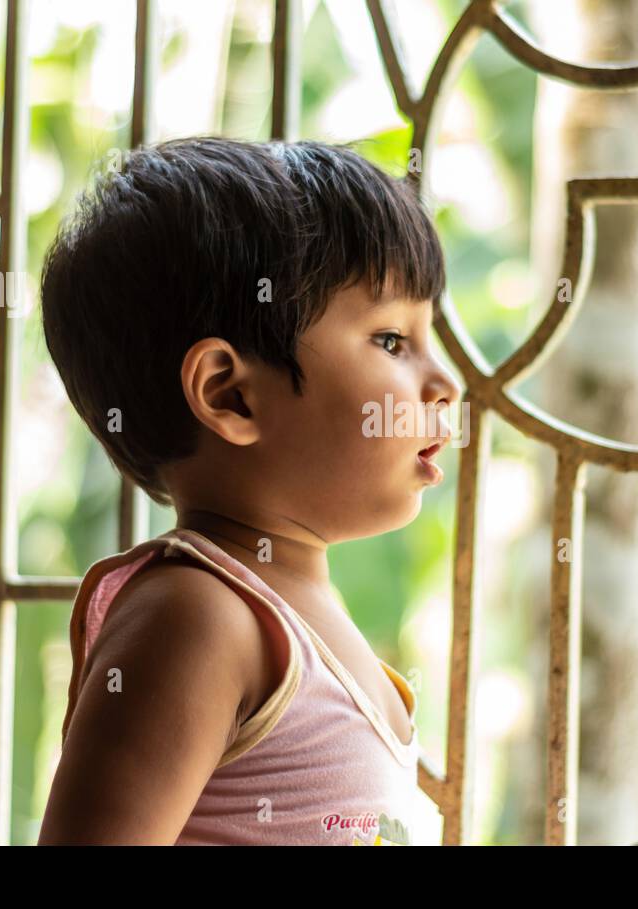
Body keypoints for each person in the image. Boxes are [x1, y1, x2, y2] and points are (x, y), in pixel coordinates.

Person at [36, 137, 461, 845]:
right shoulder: (198, 617)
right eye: (391, 340)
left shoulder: (309, 619)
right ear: (228, 394)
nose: (444, 382)